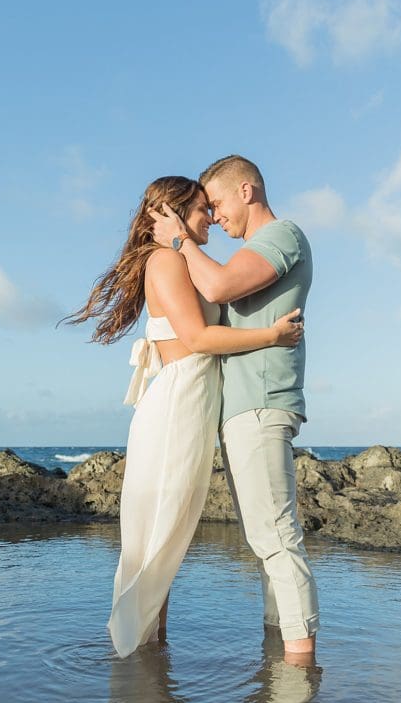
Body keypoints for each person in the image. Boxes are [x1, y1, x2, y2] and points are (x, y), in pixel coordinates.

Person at [64, 176, 303, 658]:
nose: (210, 217)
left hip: (192, 407)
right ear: (174, 215)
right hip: (176, 410)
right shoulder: (168, 260)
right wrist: (271, 338)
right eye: (199, 209)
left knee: (166, 542)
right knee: (157, 537)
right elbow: (196, 339)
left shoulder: (183, 261)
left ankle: (149, 667)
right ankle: (137, 659)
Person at [150, 155, 320, 662]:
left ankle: (299, 660)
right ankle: (281, 653)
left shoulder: (282, 237)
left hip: (262, 404)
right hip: (242, 408)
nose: (216, 217)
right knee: (263, 537)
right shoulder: (250, 250)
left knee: (275, 535)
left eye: (218, 203)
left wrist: (180, 241)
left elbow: (218, 287)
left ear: (246, 192)